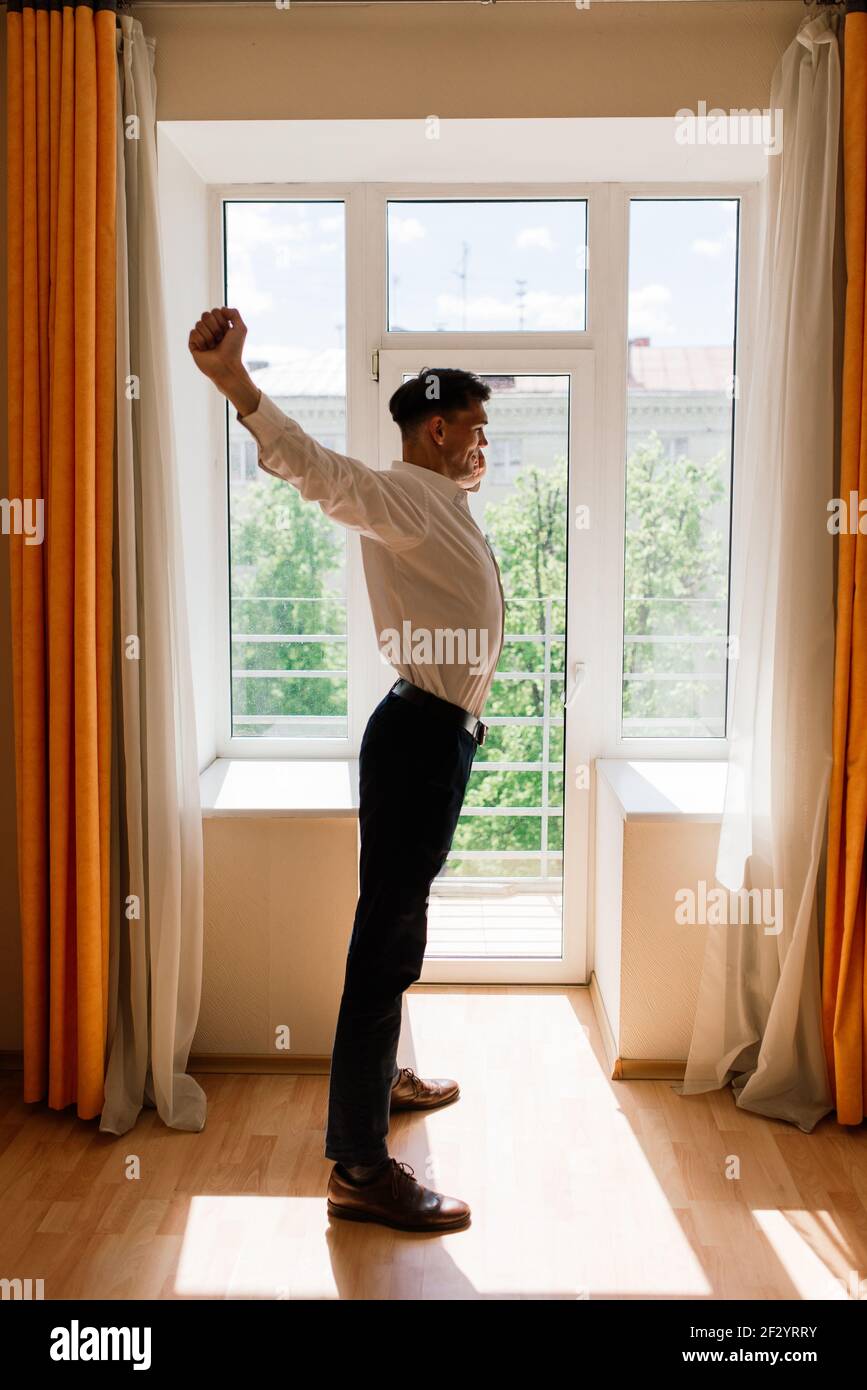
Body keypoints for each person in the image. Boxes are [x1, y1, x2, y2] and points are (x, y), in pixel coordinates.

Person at [188, 306, 505, 1233]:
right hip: (416, 743)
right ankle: (359, 1170)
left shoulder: (438, 503)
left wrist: (466, 489)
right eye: (477, 428)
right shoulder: (401, 496)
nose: (486, 444)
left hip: (431, 739)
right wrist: (238, 388)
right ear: (437, 428)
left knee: (395, 936)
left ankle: (382, 1084)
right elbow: (318, 474)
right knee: (383, 948)